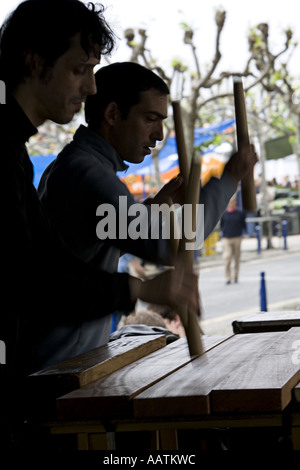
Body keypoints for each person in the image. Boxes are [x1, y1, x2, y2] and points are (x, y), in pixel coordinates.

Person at [0, 0, 199, 448]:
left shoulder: (18, 150)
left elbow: (46, 256)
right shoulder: (79, 169)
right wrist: (227, 182)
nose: (91, 87)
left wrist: (153, 213)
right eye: (80, 69)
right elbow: (36, 274)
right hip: (45, 379)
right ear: (35, 61)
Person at [38, 61, 258, 341]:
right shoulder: (88, 174)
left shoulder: (73, 166)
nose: (160, 134)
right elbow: (171, 244)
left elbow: (104, 227)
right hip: (58, 365)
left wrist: (152, 209)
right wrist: (229, 179)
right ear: (113, 113)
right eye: (151, 119)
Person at [220, 196, 246, 284]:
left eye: (233, 201)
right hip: (227, 237)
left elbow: (243, 224)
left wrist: (244, 234)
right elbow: (222, 225)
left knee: (237, 257)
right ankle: (228, 277)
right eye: (230, 201)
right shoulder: (224, 213)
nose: (231, 203)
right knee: (227, 257)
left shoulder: (239, 213)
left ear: (235, 203)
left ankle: (235, 275)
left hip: (237, 237)